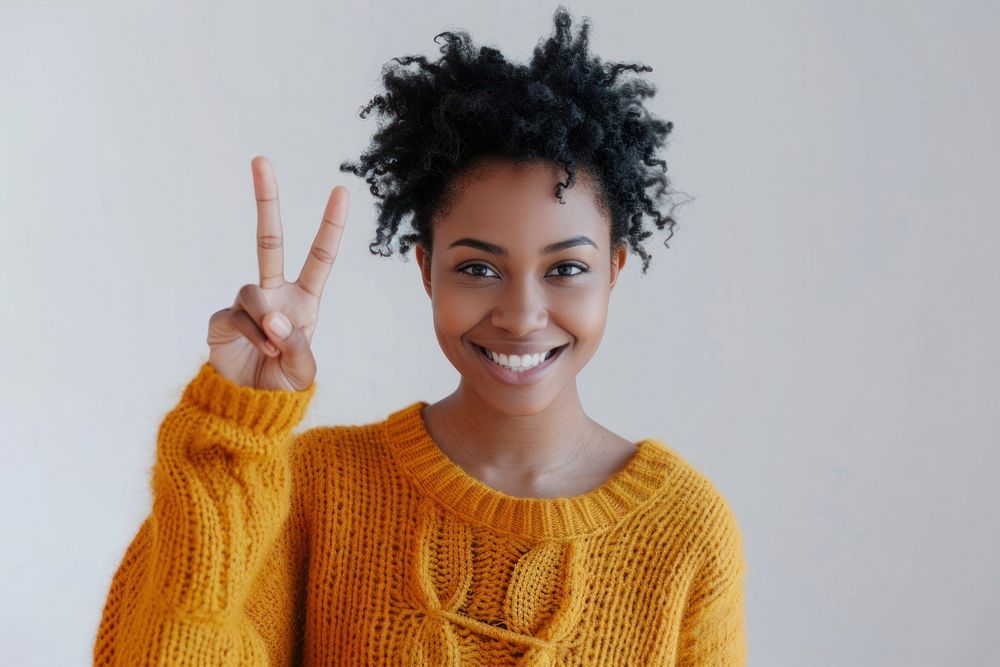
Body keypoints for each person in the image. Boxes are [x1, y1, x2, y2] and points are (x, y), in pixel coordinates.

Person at [92, 6, 747, 665]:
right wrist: (235, 428)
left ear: (614, 270)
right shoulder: (316, 488)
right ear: (426, 270)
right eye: (478, 268)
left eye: (566, 269)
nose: (522, 315)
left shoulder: (687, 533)